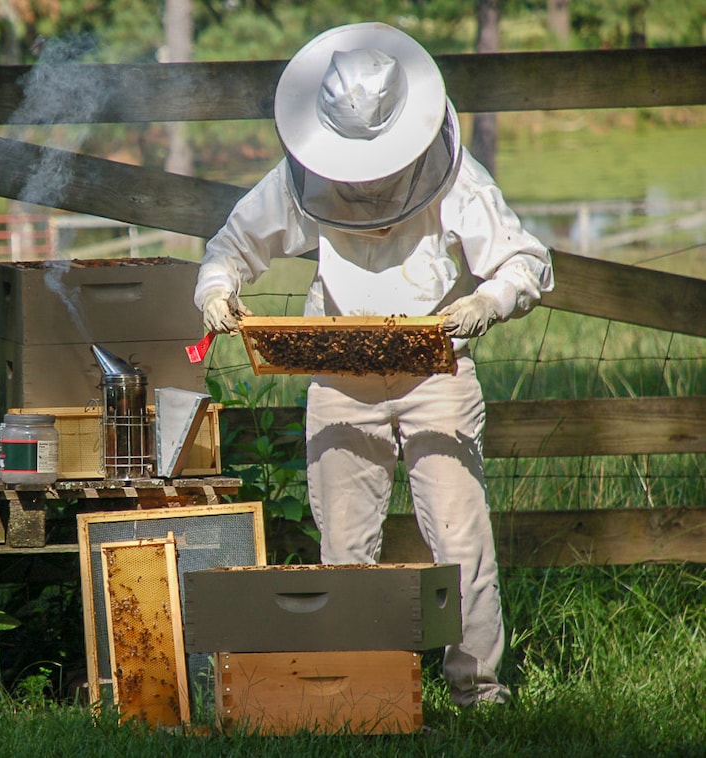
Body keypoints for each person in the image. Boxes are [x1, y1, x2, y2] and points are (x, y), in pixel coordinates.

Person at [194, 22, 554, 708]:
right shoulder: (301, 175)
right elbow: (231, 245)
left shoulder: (452, 172)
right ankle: (353, 689)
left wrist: (489, 300)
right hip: (341, 373)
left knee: (460, 534)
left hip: (436, 374)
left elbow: (526, 258)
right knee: (343, 541)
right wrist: (215, 288)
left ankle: (477, 688)